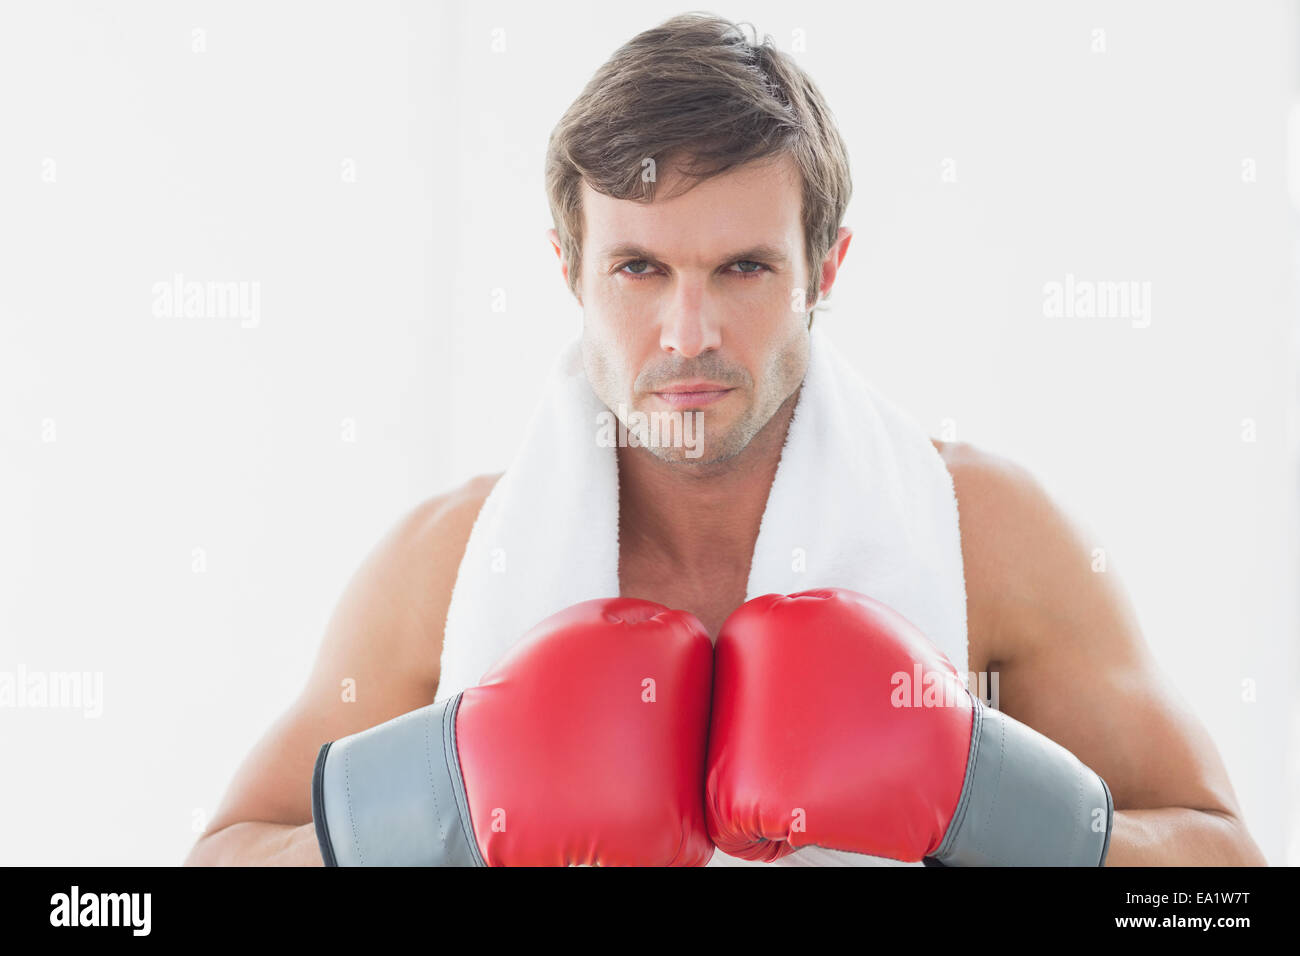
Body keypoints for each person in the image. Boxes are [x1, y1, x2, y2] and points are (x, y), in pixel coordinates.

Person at [185, 12, 1265, 867]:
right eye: (638, 268)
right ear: (568, 268)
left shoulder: (983, 530)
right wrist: (447, 805)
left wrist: (981, 797)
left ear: (824, 270)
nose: (687, 334)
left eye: (743, 268)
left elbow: (1223, 879)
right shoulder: (451, 559)